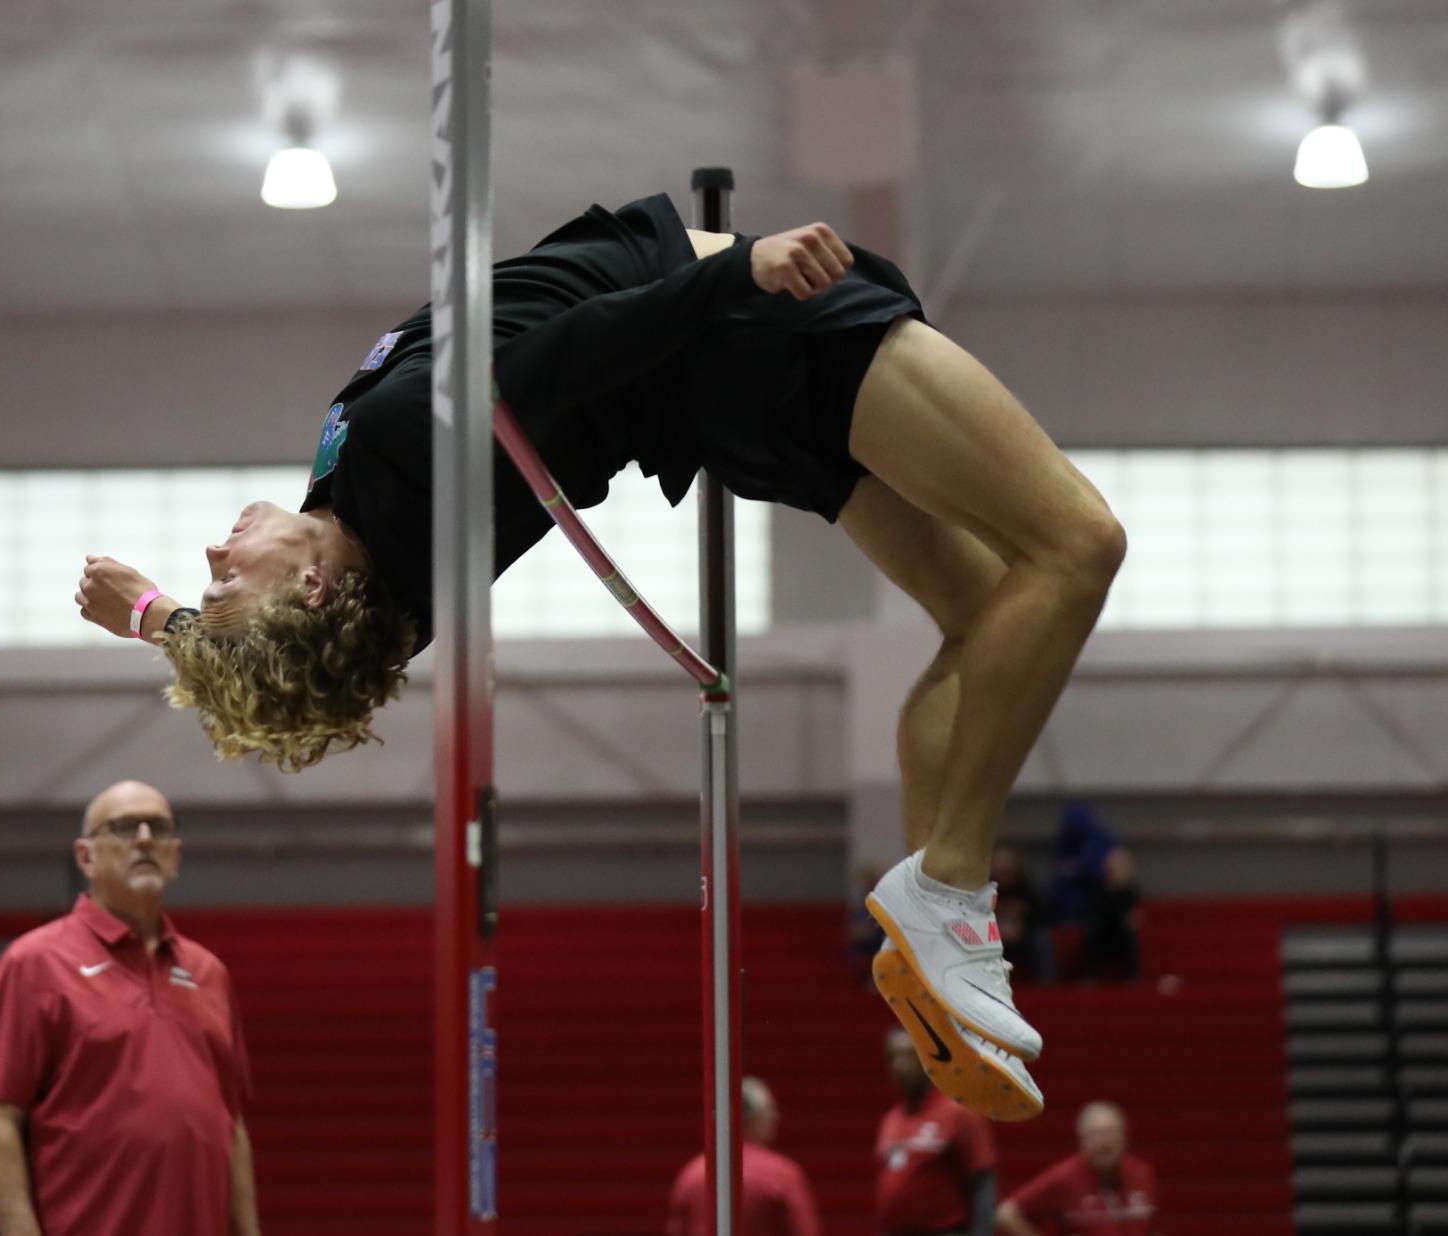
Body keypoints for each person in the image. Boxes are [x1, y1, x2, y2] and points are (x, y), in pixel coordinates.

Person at [76, 192, 1125, 1118]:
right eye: (225, 575)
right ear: (306, 588)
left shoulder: (391, 578)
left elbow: (295, 681)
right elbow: (564, 353)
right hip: (750, 333)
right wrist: (735, 274)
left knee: (986, 615)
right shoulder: (403, 448)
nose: (216, 550)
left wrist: (161, 617)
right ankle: (948, 888)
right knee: (1076, 546)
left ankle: (931, 937)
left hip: (722, 404)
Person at [0, 780, 259, 1236]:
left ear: (175, 854)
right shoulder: (36, 962)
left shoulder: (209, 972)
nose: (143, 839)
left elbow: (229, 1124)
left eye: (158, 828)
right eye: (122, 828)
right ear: (85, 857)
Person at [875, 1030, 996, 1236]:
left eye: (908, 1055)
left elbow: (982, 1182)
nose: (900, 1064)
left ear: (927, 1057)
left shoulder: (957, 1112)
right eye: (893, 1057)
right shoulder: (891, 1119)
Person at [667, 1076, 822, 1236]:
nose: (776, 1118)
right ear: (755, 1118)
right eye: (771, 1112)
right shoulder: (783, 1175)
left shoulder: (691, 1174)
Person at [996, 1102, 1163, 1236]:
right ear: (1082, 1140)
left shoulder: (1142, 1174)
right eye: (1096, 1134)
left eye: (1111, 1133)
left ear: (1125, 1137)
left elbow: (1154, 1227)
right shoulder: (1065, 1177)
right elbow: (1006, 1214)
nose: (1104, 1143)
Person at [990, 846, 1052, 986]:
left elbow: (1039, 916)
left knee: (1042, 941)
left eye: (1008, 870)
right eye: (1001, 870)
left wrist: (1022, 929)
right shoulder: (986, 888)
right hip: (993, 937)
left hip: (1022, 936)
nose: (1005, 873)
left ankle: (1046, 989)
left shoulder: (1025, 887)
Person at [1077, 848, 1141, 984]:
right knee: (1093, 930)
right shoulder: (1098, 886)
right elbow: (1099, 909)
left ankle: (1133, 975)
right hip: (1102, 929)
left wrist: (1119, 888)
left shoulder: (1128, 890)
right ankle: (1090, 974)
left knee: (1127, 930)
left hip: (1119, 932)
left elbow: (1128, 911)